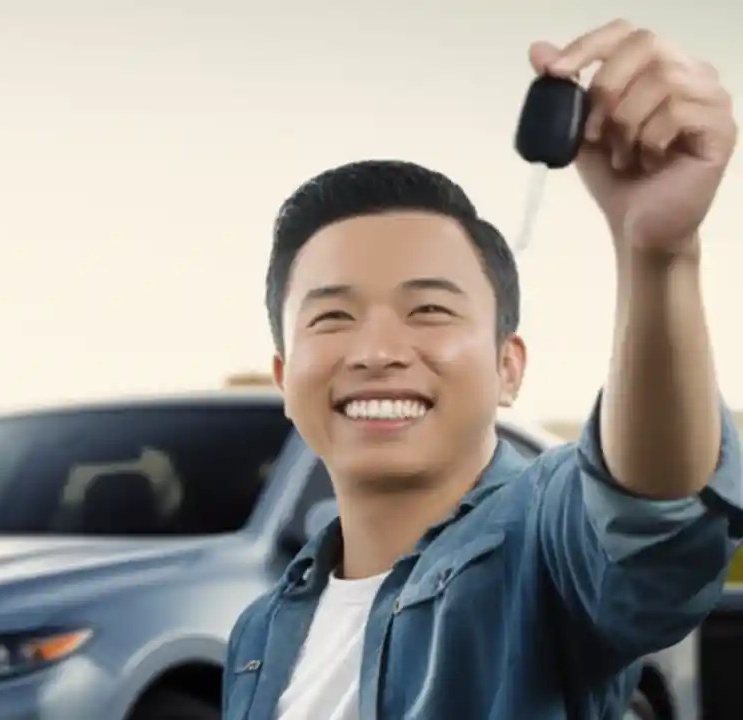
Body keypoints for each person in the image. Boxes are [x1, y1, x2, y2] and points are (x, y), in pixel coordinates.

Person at [222, 18, 743, 720]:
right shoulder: (260, 629)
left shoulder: (543, 546)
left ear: (508, 367)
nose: (376, 351)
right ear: (284, 378)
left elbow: (648, 510)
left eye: (429, 310)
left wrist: (658, 255)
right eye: (332, 317)